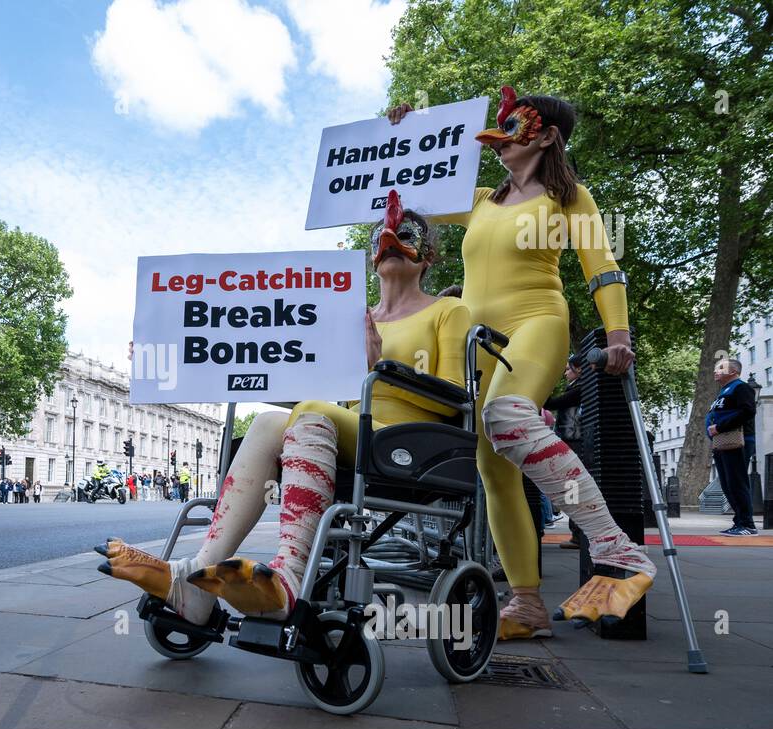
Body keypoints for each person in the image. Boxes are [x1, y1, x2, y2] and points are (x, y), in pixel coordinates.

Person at [99, 193, 472, 623]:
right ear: (370, 257)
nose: (388, 239)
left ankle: (290, 578)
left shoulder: (449, 310)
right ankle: (193, 579)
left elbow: (454, 400)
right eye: (379, 235)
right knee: (267, 422)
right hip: (356, 432)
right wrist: (169, 354)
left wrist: (379, 366)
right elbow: (300, 387)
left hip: (415, 443)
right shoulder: (352, 316)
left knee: (311, 411)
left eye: (405, 234)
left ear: (427, 257)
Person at [389, 88, 653, 636]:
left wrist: (619, 333)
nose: (500, 140)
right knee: (492, 464)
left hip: (537, 323)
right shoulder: (483, 199)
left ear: (547, 135)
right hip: (479, 342)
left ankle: (616, 548)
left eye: (513, 126)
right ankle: (527, 605)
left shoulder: (569, 197)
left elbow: (602, 266)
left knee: (507, 414)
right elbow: (410, 197)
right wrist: (408, 132)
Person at [707, 358, 758, 535]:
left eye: (721, 368)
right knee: (728, 484)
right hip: (722, 443)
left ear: (734, 371)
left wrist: (720, 427)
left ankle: (747, 525)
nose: (716, 371)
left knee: (737, 482)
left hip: (738, 441)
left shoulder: (741, 387)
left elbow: (748, 411)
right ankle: (739, 522)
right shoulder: (723, 391)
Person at [545, 354, 585, 549]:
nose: (565, 372)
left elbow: (553, 403)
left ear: (578, 369)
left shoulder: (579, 388)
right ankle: (576, 533)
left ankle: (578, 535)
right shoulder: (577, 388)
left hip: (573, 442)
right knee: (572, 489)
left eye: (568, 369)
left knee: (573, 488)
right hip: (571, 441)